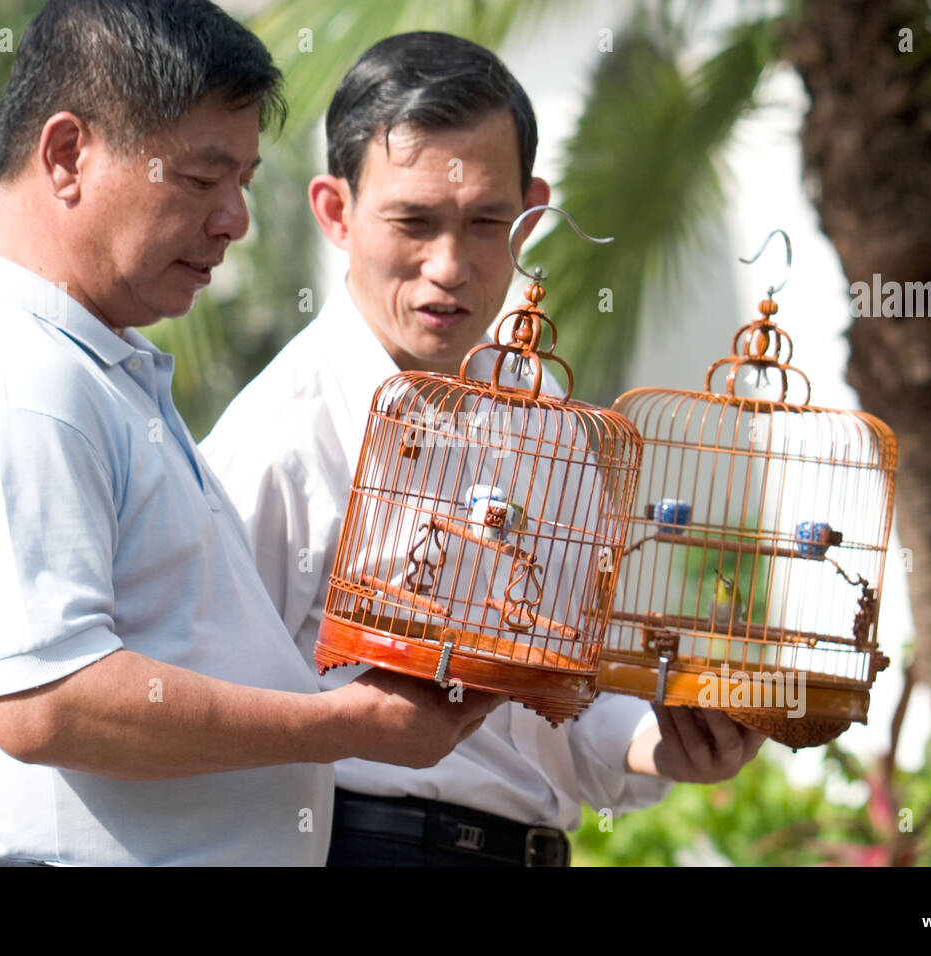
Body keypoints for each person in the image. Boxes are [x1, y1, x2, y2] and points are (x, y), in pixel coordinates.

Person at [0, 1, 501, 868]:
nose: (235, 219)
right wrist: (345, 723)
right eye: (200, 179)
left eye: (242, 181)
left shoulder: (77, 365)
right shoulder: (12, 378)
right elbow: (48, 701)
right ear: (68, 155)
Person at [201, 32, 766, 867]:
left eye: (487, 222)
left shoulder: (554, 429)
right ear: (335, 212)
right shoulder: (279, 437)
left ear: (533, 211)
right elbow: (200, 720)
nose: (450, 266)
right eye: (414, 222)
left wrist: (668, 738)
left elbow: (568, 705)